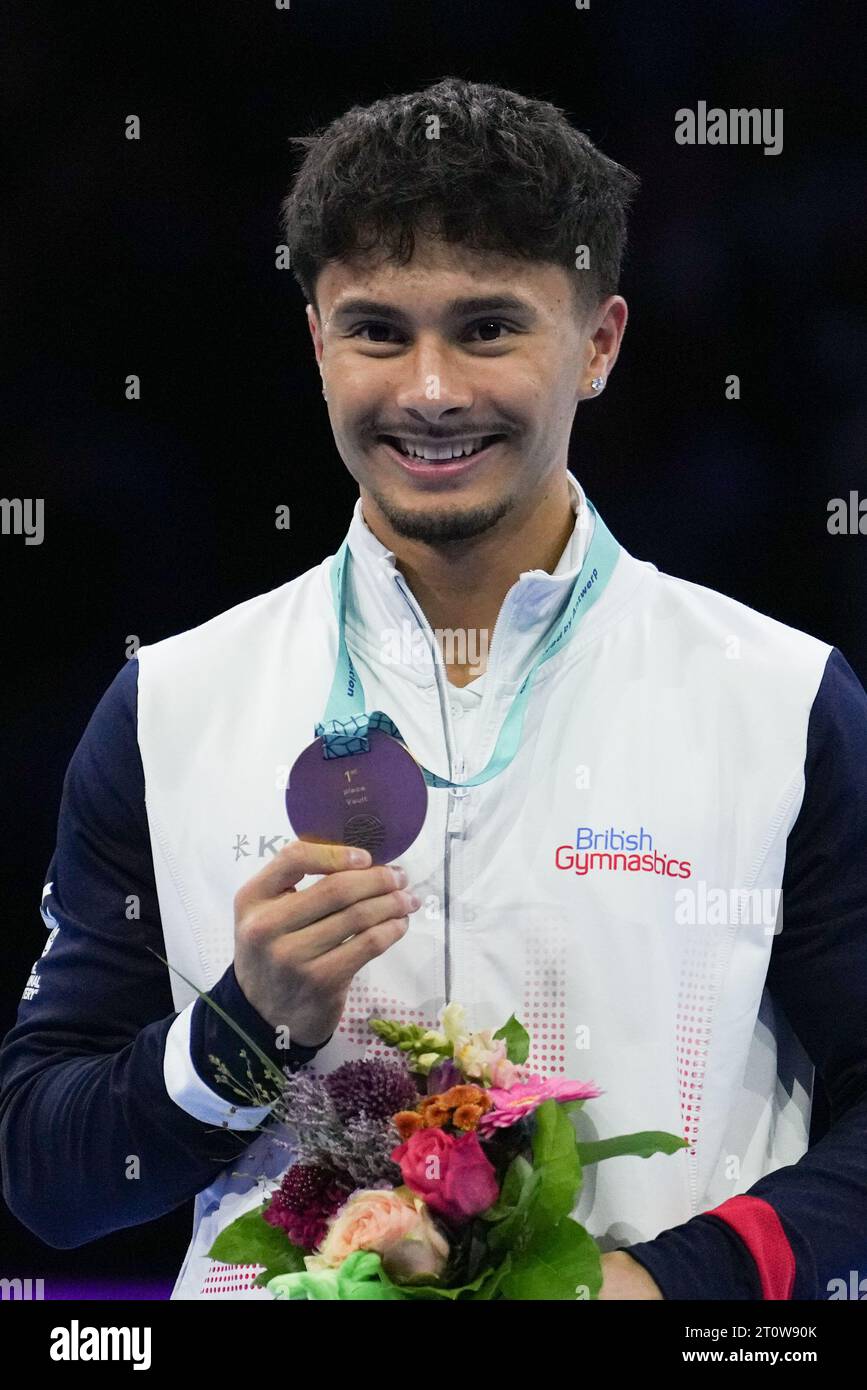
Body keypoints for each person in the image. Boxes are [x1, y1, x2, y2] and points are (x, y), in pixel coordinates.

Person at [2, 77, 866, 1302]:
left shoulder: (782, 702)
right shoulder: (171, 706)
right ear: (315, 345)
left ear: (601, 343)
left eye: (488, 328)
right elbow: (46, 1171)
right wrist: (238, 1036)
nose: (429, 391)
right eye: (375, 331)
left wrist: (678, 1285)